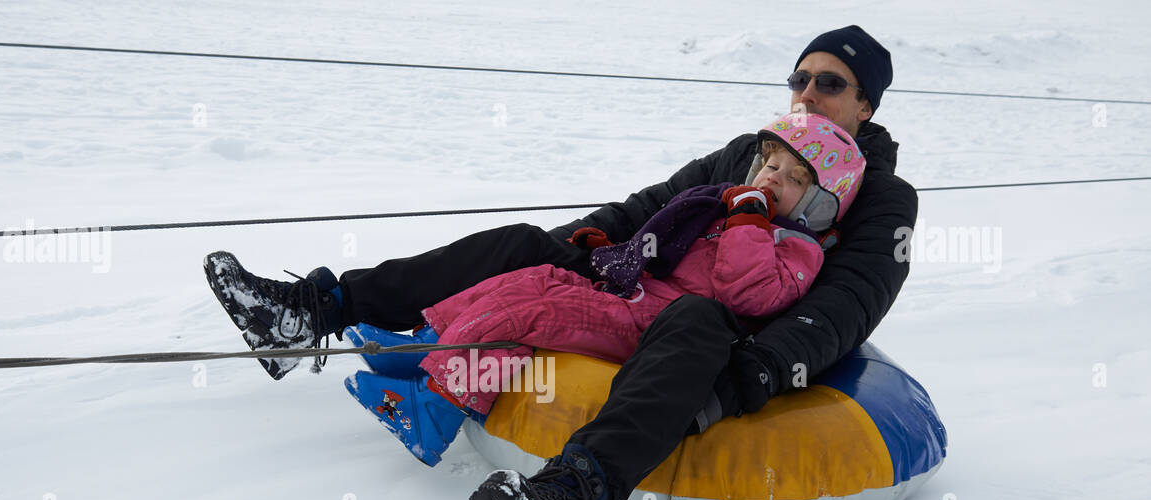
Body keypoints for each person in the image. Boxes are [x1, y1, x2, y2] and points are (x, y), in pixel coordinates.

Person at [202, 25, 918, 500]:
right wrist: (584, 246)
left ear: (867, 105)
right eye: (798, 78)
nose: (806, 93)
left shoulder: (879, 196)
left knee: (697, 320)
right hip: (640, 287)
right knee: (523, 249)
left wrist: (747, 377)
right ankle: (310, 311)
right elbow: (655, 205)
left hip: (718, 329)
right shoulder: (750, 151)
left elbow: (847, 305)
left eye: (829, 83)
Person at [343, 112, 867, 468]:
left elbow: (747, 292)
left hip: (653, 329)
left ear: (820, 203)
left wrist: (749, 221)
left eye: (794, 177)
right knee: (531, 280)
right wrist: (617, 252)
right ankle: (424, 346)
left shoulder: (797, 247)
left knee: (534, 314)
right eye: (770, 165)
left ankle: (433, 411)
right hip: (631, 295)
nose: (774, 178)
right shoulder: (729, 209)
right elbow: (667, 244)